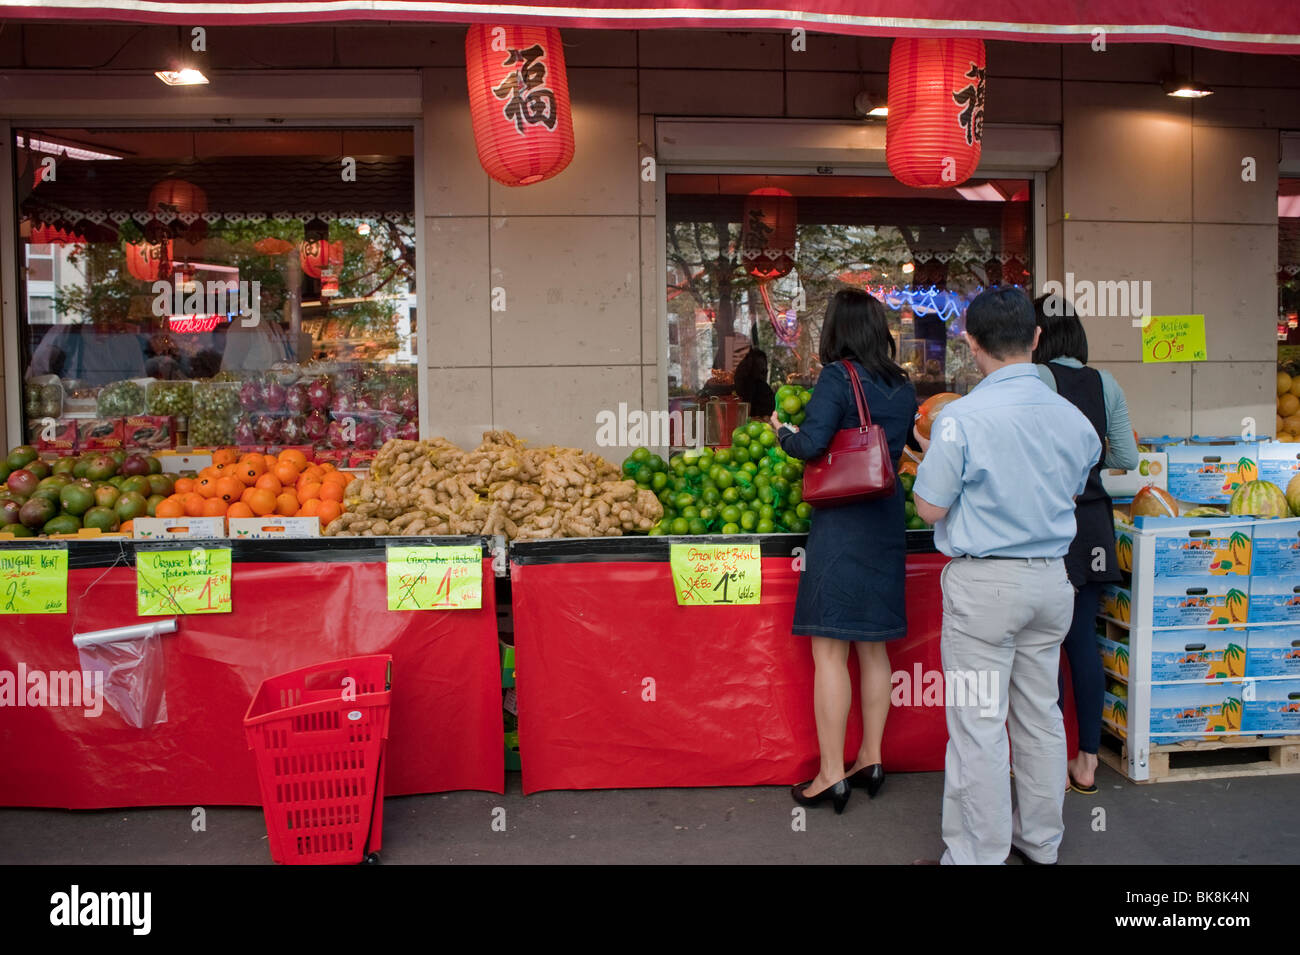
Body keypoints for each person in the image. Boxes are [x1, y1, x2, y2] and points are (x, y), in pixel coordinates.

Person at [912, 287, 1100, 865]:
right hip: (1052, 581)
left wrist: (923, 450)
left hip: (985, 589)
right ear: (1037, 339)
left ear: (970, 344)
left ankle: (977, 853)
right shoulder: (1075, 420)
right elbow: (1070, 489)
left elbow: (929, 509)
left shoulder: (960, 418)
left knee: (978, 726)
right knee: (1041, 716)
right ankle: (1041, 841)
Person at [771, 288, 917, 814]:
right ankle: (871, 758)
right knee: (874, 648)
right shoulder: (903, 386)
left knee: (829, 649)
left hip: (842, 525)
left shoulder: (838, 377)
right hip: (885, 520)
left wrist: (781, 432)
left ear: (837, 330)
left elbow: (811, 446)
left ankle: (831, 773)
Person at [1032, 294, 1140, 794]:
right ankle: (1087, 763)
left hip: (1049, 524)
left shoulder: (1037, 380)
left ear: (1037, 335)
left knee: (1042, 648)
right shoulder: (1107, 382)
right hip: (1095, 524)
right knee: (1082, 645)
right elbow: (1129, 457)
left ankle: (1046, 762)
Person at [733, 347, 776, 419]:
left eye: (765, 371)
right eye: (763, 371)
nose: (765, 372)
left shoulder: (760, 387)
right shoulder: (757, 386)